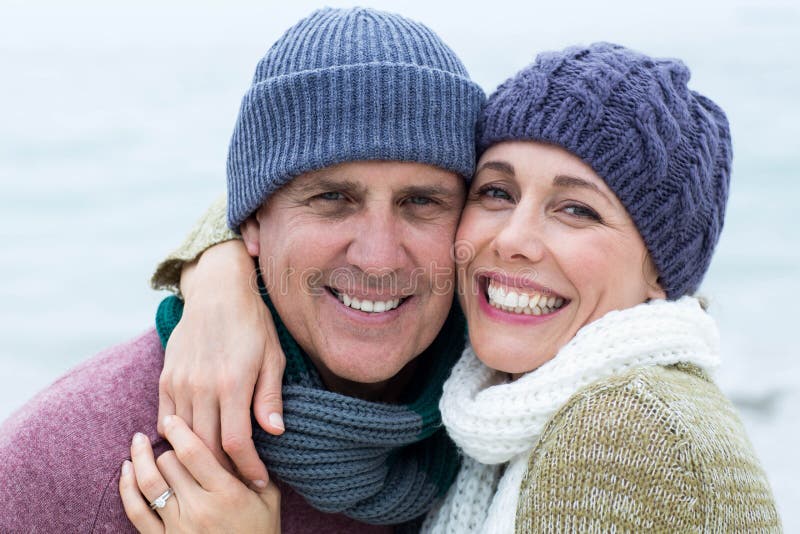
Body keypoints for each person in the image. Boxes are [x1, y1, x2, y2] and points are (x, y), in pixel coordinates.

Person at [151, 43, 781, 531]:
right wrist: (221, 268)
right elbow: (308, 179)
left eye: (576, 211)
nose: (513, 239)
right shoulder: (497, 394)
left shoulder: (624, 430)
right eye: (497, 193)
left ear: (661, 271)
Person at [0, 7, 484, 533]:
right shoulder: (70, 469)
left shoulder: (500, 420)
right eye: (332, 198)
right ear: (250, 220)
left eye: (421, 202)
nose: (378, 256)